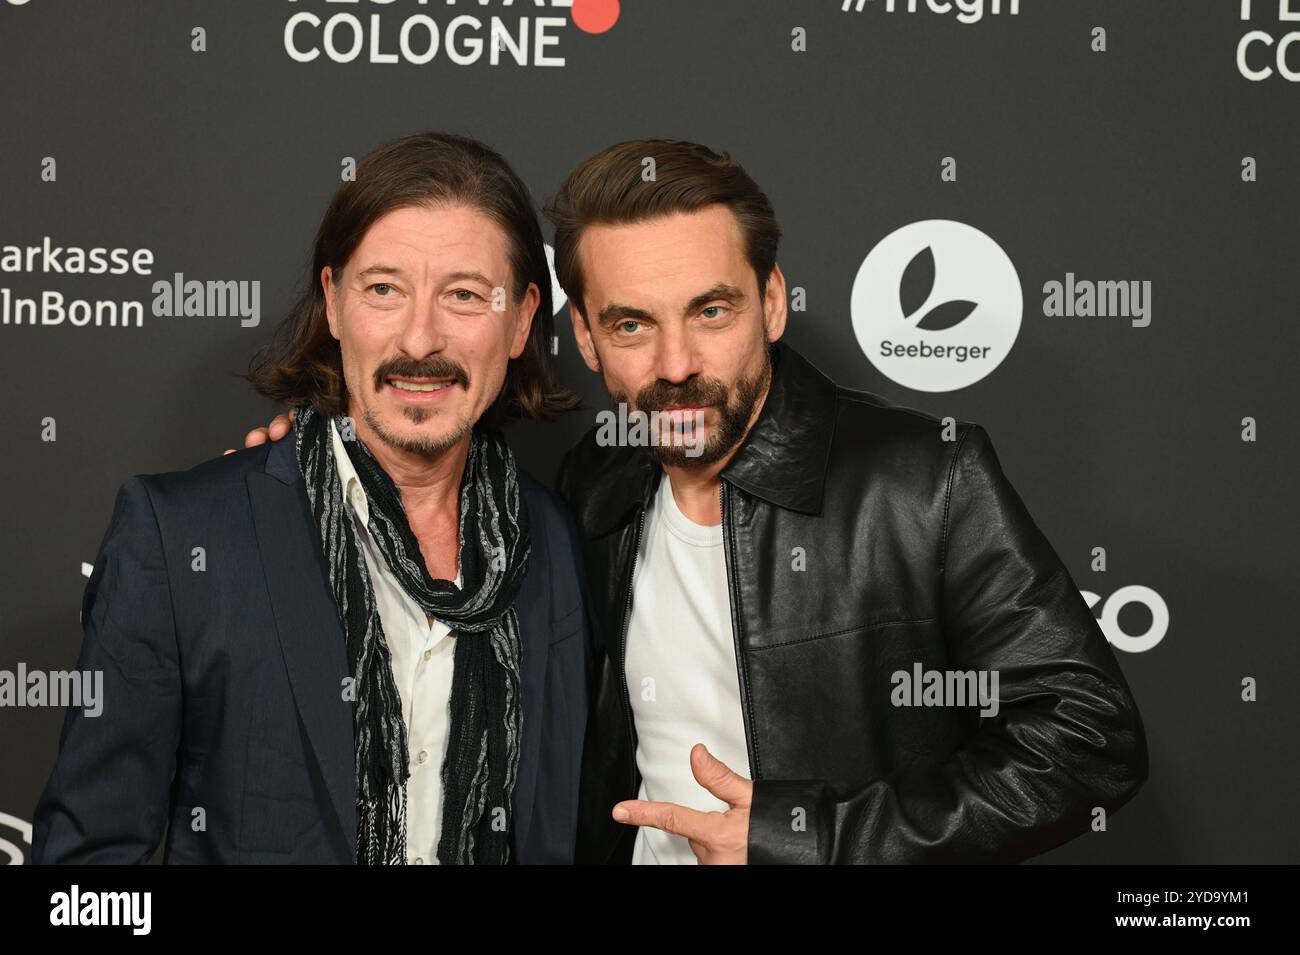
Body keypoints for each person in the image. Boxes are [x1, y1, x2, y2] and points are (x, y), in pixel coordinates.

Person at [246, 138, 1150, 866]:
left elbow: (1087, 739)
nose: (675, 363)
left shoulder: (920, 481)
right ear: (586, 340)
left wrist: (807, 838)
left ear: (773, 303)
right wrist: (301, 468)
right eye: (633, 323)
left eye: (710, 312)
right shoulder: (593, 489)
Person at [33, 132, 588, 864]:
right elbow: (84, 878)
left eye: (463, 295)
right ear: (332, 304)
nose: (420, 338)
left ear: (521, 321)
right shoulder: (182, 536)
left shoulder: (554, 540)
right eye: (383, 289)